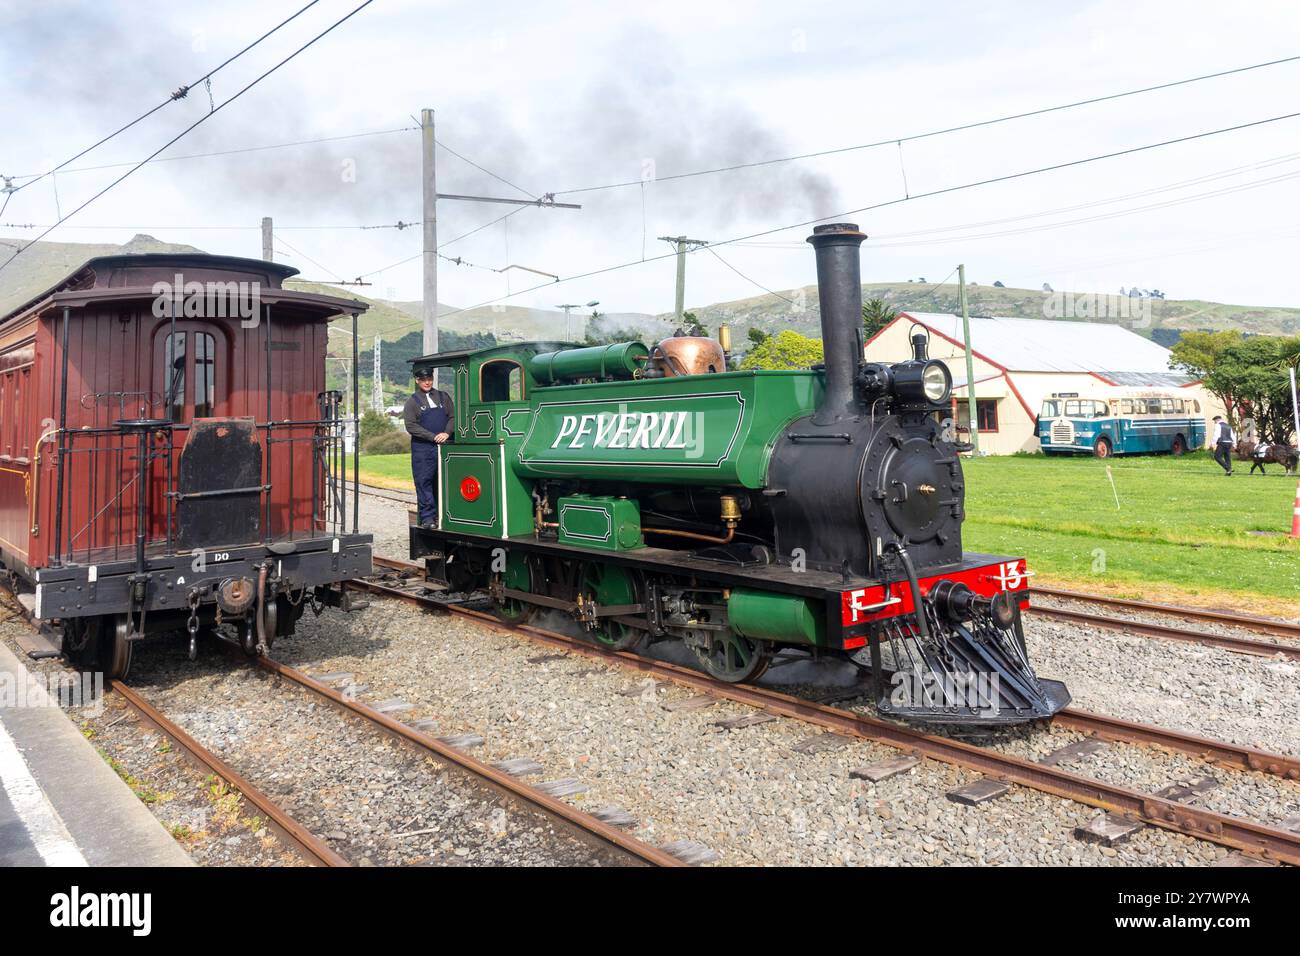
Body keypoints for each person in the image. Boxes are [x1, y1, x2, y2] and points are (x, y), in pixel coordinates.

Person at [403, 366, 454, 528]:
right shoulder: (412, 402)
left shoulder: (443, 397)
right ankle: (427, 518)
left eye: (429, 379)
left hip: (445, 446)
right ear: (417, 381)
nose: (427, 382)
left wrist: (446, 433)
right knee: (424, 482)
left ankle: (445, 514)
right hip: (423, 449)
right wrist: (433, 437)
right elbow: (411, 426)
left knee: (444, 481)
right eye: (424, 380)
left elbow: (453, 417)